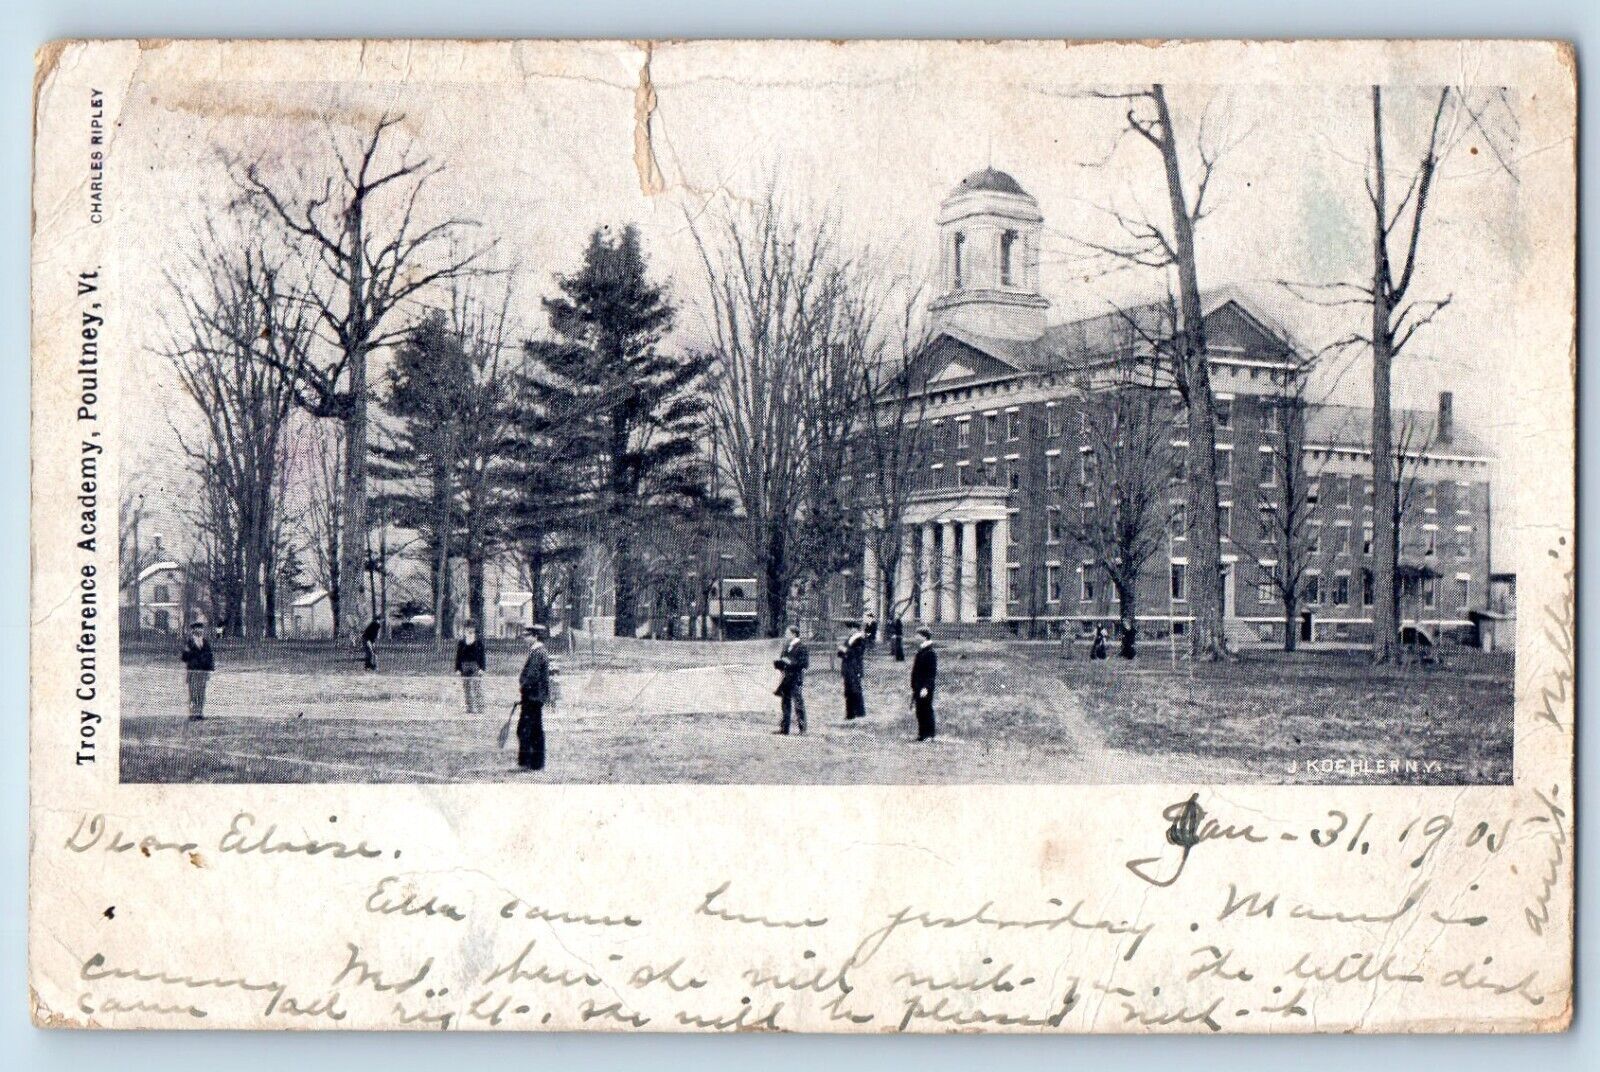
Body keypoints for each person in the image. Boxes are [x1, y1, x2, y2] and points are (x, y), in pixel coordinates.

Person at [516, 624, 551, 770]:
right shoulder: (537, 651)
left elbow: (532, 676)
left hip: (533, 697)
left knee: (527, 729)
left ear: (535, 637)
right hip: (533, 696)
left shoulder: (538, 653)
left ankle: (530, 762)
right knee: (531, 729)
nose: (524, 638)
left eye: (527, 635)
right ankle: (532, 762)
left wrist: (523, 686)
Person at [773, 625, 810, 735]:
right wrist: (779, 664)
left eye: (787, 633)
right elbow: (782, 659)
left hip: (796, 678)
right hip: (786, 678)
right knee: (785, 703)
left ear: (794, 634)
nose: (785, 635)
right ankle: (785, 729)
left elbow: (804, 663)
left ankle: (802, 729)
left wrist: (790, 663)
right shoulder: (786, 646)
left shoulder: (801, 646)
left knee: (798, 703)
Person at [179, 619, 215, 720]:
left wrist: (209, 670)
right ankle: (192, 713)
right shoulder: (189, 643)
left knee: (201, 693)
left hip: (203, 671)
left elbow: (210, 656)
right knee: (193, 693)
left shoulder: (205, 642)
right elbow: (184, 658)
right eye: (197, 629)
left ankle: (199, 713)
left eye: (201, 629)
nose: (199, 631)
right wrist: (189, 653)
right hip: (193, 671)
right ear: (193, 631)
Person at [910, 625, 937, 742]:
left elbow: (931, 673)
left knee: (926, 710)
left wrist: (926, 687)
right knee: (919, 710)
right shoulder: (921, 651)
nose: (915, 637)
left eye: (918, 635)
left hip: (925, 687)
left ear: (924, 637)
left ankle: (929, 735)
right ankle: (922, 733)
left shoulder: (930, 653)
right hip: (918, 686)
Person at [837, 620, 867, 721]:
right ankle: (850, 713)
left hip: (855, 668)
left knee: (855, 690)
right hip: (847, 667)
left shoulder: (860, 639)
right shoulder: (849, 639)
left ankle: (859, 712)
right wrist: (844, 651)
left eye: (851, 628)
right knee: (848, 691)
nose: (849, 630)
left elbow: (857, 653)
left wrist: (845, 651)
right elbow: (840, 653)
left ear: (855, 629)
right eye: (848, 628)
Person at [455, 621, 486, 715]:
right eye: (468, 627)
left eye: (472, 627)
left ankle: (480, 709)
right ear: (465, 629)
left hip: (475, 666)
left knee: (477, 687)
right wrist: (458, 669)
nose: (470, 629)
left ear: (474, 629)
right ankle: (470, 708)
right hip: (464, 666)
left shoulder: (478, 642)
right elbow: (458, 656)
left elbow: (482, 656)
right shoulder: (461, 642)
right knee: (466, 688)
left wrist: (482, 668)